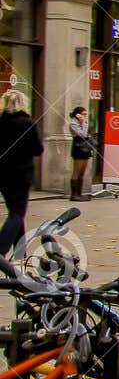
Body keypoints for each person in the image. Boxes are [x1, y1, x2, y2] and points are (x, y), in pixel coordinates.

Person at [0, 91, 43, 257]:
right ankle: (1, 249)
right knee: (17, 213)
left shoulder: (1, 122)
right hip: (21, 174)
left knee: (15, 211)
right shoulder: (27, 123)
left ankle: (20, 252)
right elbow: (38, 149)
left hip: (3, 174)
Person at [68, 107, 94, 201]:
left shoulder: (84, 122)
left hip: (85, 146)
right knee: (77, 171)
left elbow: (87, 133)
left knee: (82, 171)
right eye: (83, 114)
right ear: (77, 114)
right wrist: (83, 123)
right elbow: (82, 134)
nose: (84, 116)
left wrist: (84, 123)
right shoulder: (73, 123)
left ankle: (79, 193)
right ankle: (74, 194)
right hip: (78, 146)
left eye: (86, 114)